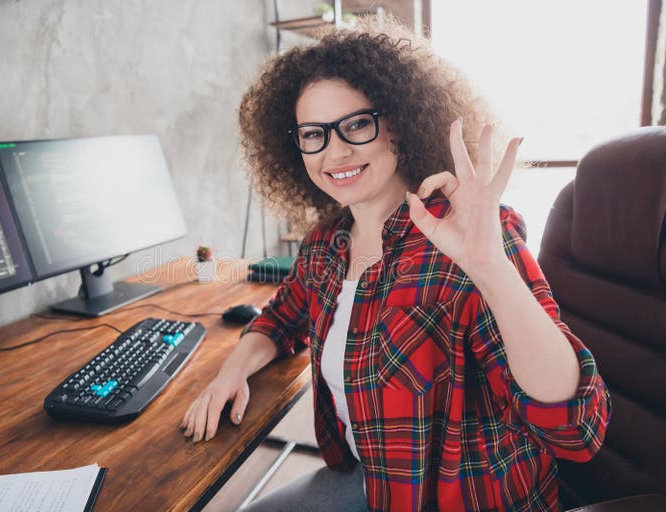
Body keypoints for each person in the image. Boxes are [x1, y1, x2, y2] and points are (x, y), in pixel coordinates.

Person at [180, 15, 610, 512]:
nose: (334, 150)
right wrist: (231, 371)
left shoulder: (466, 239)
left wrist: (490, 267)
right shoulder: (326, 245)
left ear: (400, 124)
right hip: (374, 483)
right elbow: (282, 316)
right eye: (312, 133)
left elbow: (578, 430)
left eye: (357, 124)